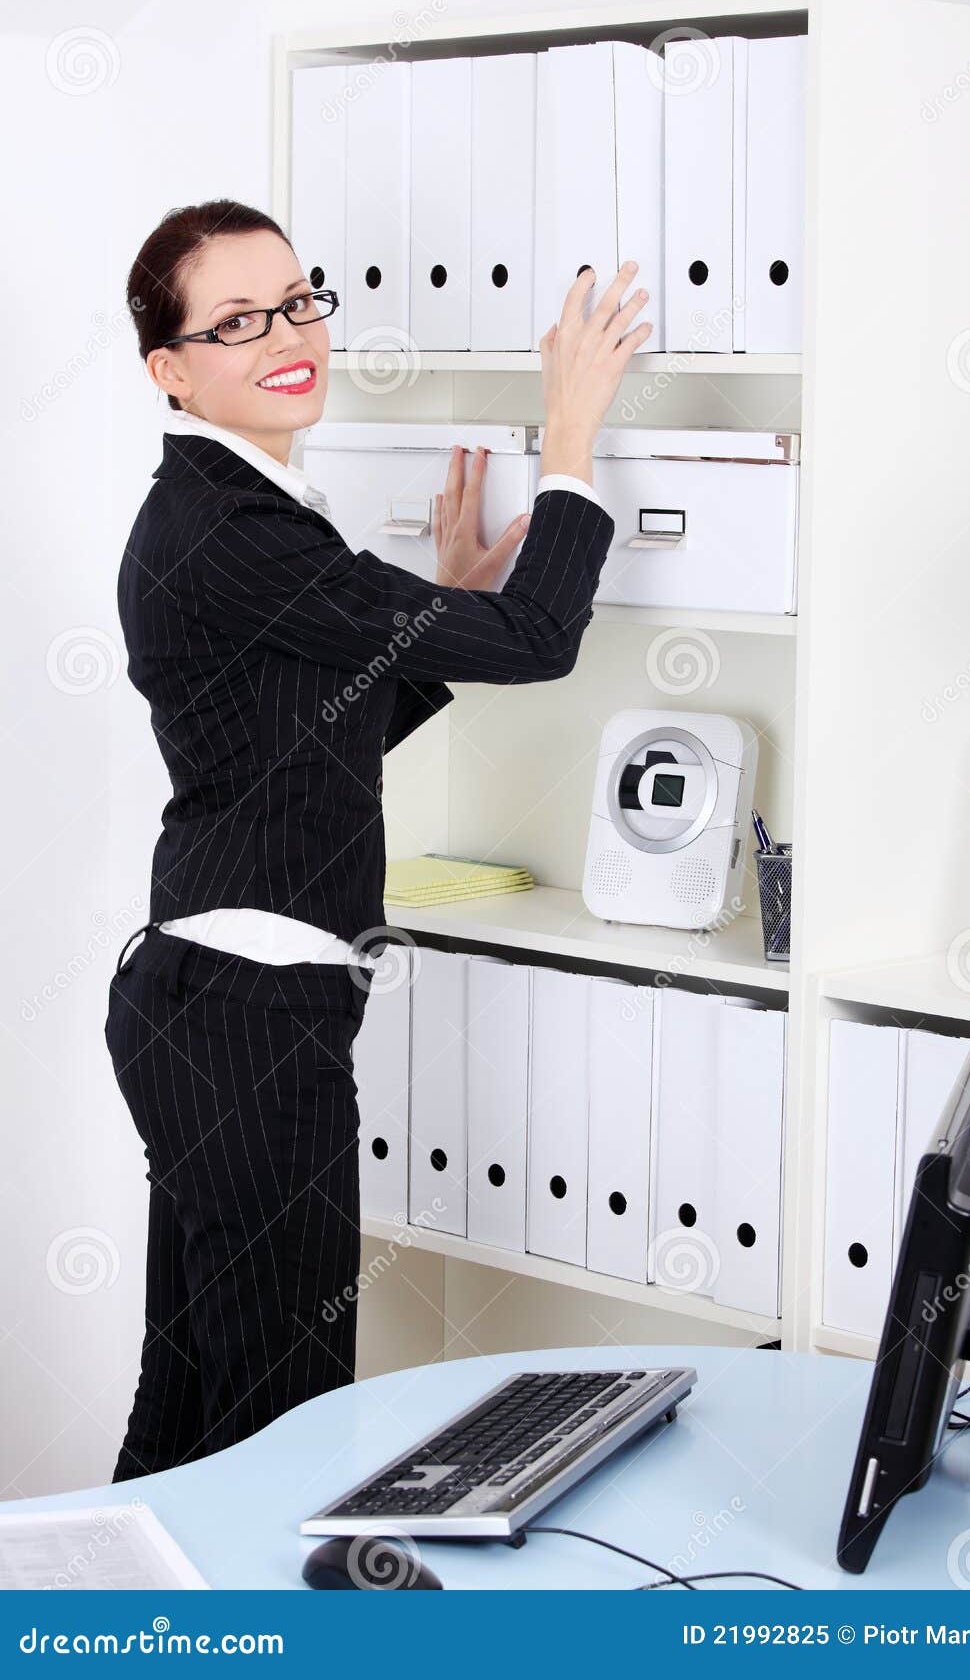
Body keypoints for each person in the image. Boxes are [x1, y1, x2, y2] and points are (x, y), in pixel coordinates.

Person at [106, 197, 651, 1480]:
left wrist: (439, 605)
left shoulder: (243, 513)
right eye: (236, 321)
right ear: (170, 371)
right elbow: (543, 641)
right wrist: (569, 428)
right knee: (282, 1432)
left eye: (296, 301)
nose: (287, 335)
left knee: (193, 1400)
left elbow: (308, 743)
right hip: (248, 1025)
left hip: (207, 1006)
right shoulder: (235, 533)